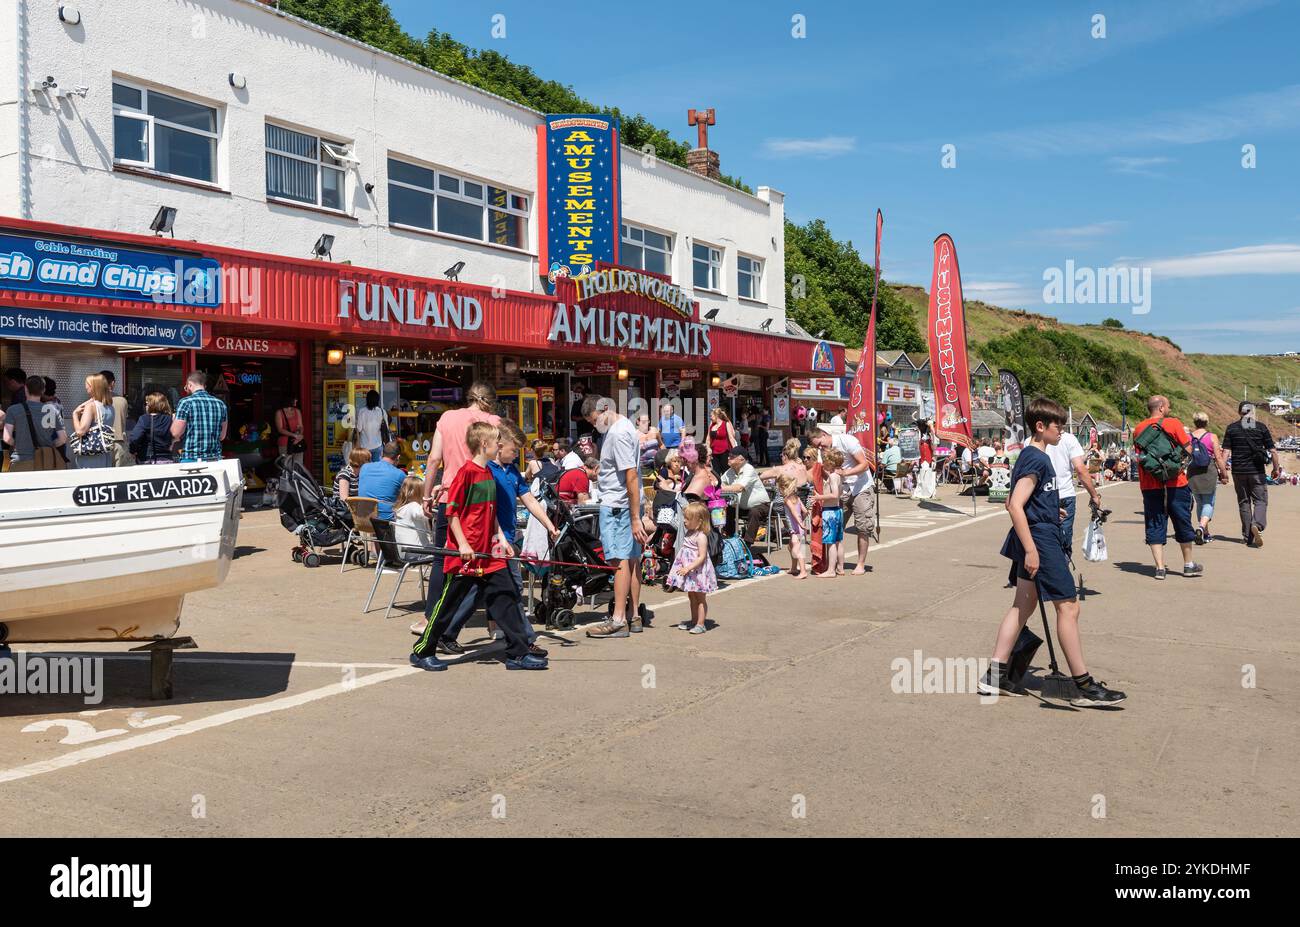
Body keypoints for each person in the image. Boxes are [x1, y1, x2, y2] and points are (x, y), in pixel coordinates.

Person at [977, 397, 1125, 706]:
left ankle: (995, 675)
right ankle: (1083, 686)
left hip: (1036, 532)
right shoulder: (1038, 458)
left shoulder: (1031, 456)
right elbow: (1014, 505)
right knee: (1069, 607)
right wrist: (1032, 549)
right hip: (1040, 540)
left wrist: (1047, 509)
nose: (1062, 430)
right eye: (1058, 425)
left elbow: (1015, 502)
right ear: (1041, 427)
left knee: (1023, 604)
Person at [409, 422, 546, 672]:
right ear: (485, 445)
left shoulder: (487, 474)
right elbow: (451, 511)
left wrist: (501, 539)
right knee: (448, 604)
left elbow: (490, 512)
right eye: (496, 441)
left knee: (506, 597)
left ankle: (518, 653)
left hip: (489, 553)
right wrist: (462, 543)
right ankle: (422, 650)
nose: (499, 445)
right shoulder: (467, 473)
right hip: (466, 554)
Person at [433, 421, 560, 651]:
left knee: (480, 589)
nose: (516, 455)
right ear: (498, 446)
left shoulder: (511, 471)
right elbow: (459, 500)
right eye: (514, 450)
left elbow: (529, 499)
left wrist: (549, 524)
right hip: (490, 541)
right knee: (511, 588)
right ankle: (525, 641)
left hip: (504, 537)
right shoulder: (484, 469)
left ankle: (447, 632)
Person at [420, 381, 501, 597]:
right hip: (482, 496)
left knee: (442, 557)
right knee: (487, 554)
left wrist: (426, 495)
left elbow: (433, 458)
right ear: (490, 402)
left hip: (449, 493)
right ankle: (491, 616)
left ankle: (431, 616)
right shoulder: (494, 421)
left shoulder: (447, 417)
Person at [582, 396, 649, 639]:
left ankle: (619, 618)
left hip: (618, 506)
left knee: (619, 561)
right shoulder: (624, 428)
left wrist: (634, 517)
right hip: (625, 504)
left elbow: (630, 475)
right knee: (631, 561)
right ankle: (634, 615)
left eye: (594, 420)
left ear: (605, 410)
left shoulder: (619, 433)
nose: (594, 425)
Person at [1132, 395, 1202, 578]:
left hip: (1149, 484)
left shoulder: (1138, 429)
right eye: (1168, 406)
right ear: (1161, 407)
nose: (1169, 409)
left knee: (1155, 523)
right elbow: (1187, 450)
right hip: (1176, 483)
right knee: (1182, 521)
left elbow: (1141, 459)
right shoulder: (1173, 423)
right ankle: (1188, 565)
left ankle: (1160, 568)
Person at [809, 424, 877, 574]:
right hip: (842, 490)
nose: (820, 448)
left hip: (861, 487)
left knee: (863, 526)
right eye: (817, 447)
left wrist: (845, 473)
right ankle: (837, 566)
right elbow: (825, 472)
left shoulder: (847, 441)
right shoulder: (822, 452)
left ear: (825, 435)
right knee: (835, 528)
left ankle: (860, 564)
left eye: (820, 444)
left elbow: (865, 465)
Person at [1221, 401, 1281, 548]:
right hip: (1257, 472)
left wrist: (1222, 472)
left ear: (1239, 412)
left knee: (1244, 502)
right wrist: (1276, 469)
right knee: (1260, 500)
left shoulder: (1232, 428)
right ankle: (1257, 525)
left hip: (1238, 472)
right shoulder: (1260, 427)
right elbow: (1273, 451)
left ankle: (1248, 536)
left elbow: (1226, 452)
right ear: (1252, 412)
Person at [1045, 421, 1102, 555]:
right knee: (1064, 539)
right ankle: (1062, 572)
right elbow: (1081, 470)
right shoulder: (1069, 439)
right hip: (1065, 494)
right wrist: (1094, 495)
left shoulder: (1031, 440)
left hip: (1043, 496)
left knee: (1043, 538)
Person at [667, 501, 717, 633]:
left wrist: (688, 567)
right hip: (689, 571)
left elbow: (702, 557)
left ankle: (701, 624)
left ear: (699, 521)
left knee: (700, 598)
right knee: (691, 596)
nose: (684, 521)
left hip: (698, 571)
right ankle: (694, 620)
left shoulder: (701, 537)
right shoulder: (689, 533)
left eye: (688, 519)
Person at [3, 375, 67, 471]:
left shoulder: (13, 410)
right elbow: (62, 439)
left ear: (25, 389)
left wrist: (20, 444)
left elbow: (7, 438)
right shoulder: (51, 410)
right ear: (43, 390)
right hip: (45, 461)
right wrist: (49, 445)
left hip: (21, 460)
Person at [1187, 412, 1228, 545]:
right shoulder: (1212, 437)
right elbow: (1218, 457)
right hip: (1208, 471)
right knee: (1208, 503)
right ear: (1207, 422)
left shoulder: (1189, 437)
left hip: (1193, 472)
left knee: (1199, 502)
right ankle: (1201, 527)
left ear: (1194, 422)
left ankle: (1205, 533)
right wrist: (1224, 474)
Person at [171, 371, 228, 463]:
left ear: (189, 385)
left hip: (191, 458)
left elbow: (176, 433)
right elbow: (222, 436)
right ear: (204, 386)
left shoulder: (185, 402)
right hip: (215, 459)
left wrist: (174, 420)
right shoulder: (220, 404)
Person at [719, 447, 771, 546]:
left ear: (742, 459)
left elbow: (739, 488)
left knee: (754, 512)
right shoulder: (730, 471)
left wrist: (721, 489)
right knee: (727, 510)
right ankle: (731, 540)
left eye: (732, 457)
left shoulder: (749, 469)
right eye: (729, 456)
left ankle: (746, 544)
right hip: (742, 507)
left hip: (762, 505)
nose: (728, 458)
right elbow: (719, 482)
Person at [70, 373, 116, 469]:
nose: (86, 386)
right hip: (104, 454)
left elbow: (80, 431)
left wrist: (74, 415)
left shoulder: (91, 407)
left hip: (90, 455)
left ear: (93, 386)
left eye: (87, 384)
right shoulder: (110, 407)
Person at [357, 441, 407, 521]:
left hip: (363, 521)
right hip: (385, 525)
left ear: (381, 454)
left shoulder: (364, 468)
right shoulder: (400, 475)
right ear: (398, 457)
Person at [814, 448, 845, 577]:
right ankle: (840, 567)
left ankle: (831, 570)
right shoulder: (838, 475)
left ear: (830, 463)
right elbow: (840, 493)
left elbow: (835, 494)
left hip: (830, 511)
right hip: (838, 511)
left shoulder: (832, 477)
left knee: (830, 542)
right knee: (838, 541)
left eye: (826, 461)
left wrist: (819, 497)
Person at [776, 472, 810, 579]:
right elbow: (805, 511)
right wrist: (802, 522)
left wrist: (799, 523)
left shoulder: (787, 500)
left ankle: (803, 571)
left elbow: (794, 513)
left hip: (796, 530)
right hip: (799, 528)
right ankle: (794, 567)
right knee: (790, 546)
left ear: (782, 487)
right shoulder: (797, 498)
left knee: (796, 550)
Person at [128, 392, 176, 464]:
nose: (146, 406)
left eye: (147, 404)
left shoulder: (144, 419)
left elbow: (135, 438)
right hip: (167, 458)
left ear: (152, 405)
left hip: (147, 458)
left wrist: (133, 451)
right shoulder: (170, 419)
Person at [98, 370, 132, 467]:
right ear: (112, 383)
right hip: (119, 441)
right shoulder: (122, 401)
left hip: (100, 443)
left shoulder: (93, 401)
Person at [355, 390, 387, 462]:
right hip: (378, 445)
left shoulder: (362, 411)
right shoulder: (382, 412)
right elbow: (386, 428)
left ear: (367, 399)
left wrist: (357, 443)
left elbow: (359, 429)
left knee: (366, 468)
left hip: (365, 446)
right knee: (376, 468)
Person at [707, 408, 738, 479]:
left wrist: (735, 451)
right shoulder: (711, 425)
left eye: (711, 416)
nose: (710, 417)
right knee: (715, 472)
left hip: (725, 451)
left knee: (726, 471)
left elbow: (731, 437)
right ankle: (717, 488)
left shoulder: (725, 424)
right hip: (714, 452)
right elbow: (708, 438)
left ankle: (727, 488)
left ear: (716, 415)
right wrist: (708, 448)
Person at [275, 397, 306, 468]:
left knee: (298, 466)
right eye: (294, 399)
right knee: (286, 466)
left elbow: (301, 426)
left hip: (297, 442)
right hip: (284, 443)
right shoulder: (279, 412)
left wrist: (299, 435)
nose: (296, 400)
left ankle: (296, 479)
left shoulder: (297, 411)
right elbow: (280, 429)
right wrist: (294, 435)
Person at [913, 421, 937, 500]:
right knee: (922, 476)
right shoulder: (920, 440)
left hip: (929, 460)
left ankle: (929, 492)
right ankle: (922, 491)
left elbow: (934, 447)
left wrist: (934, 457)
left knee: (929, 475)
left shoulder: (930, 439)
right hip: (922, 460)